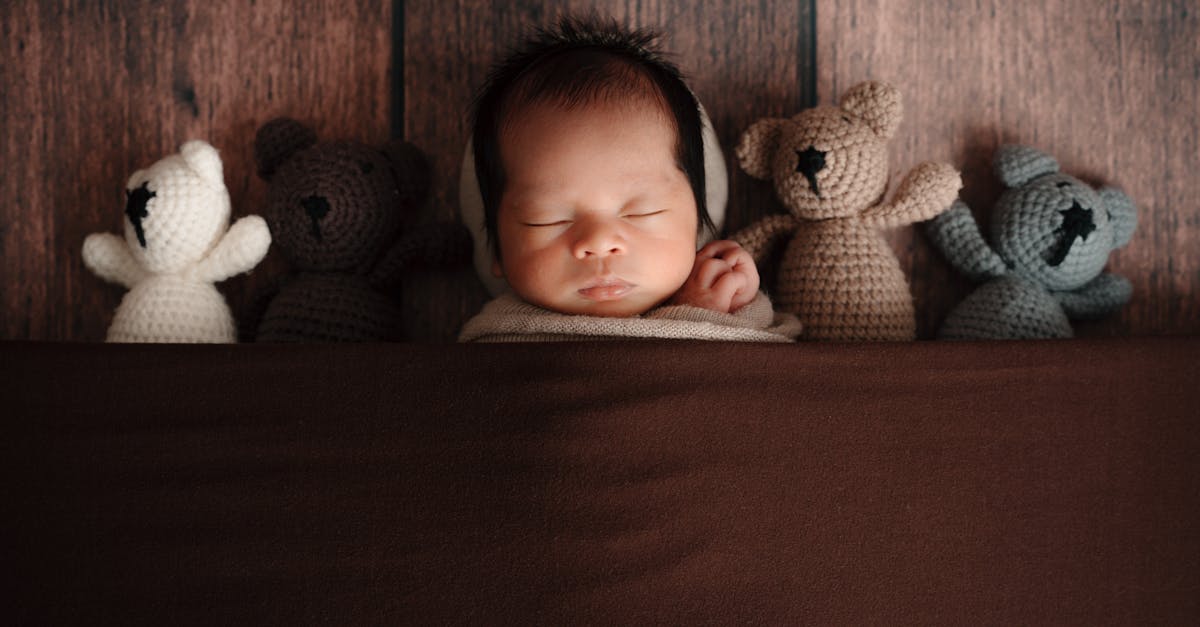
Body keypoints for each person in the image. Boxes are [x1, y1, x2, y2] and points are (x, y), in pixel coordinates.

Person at [458, 15, 801, 342]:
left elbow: (750, 378)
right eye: (547, 219)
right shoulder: (497, 340)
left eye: (642, 212)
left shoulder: (720, 303)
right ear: (498, 252)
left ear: (696, 225)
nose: (600, 241)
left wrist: (708, 314)